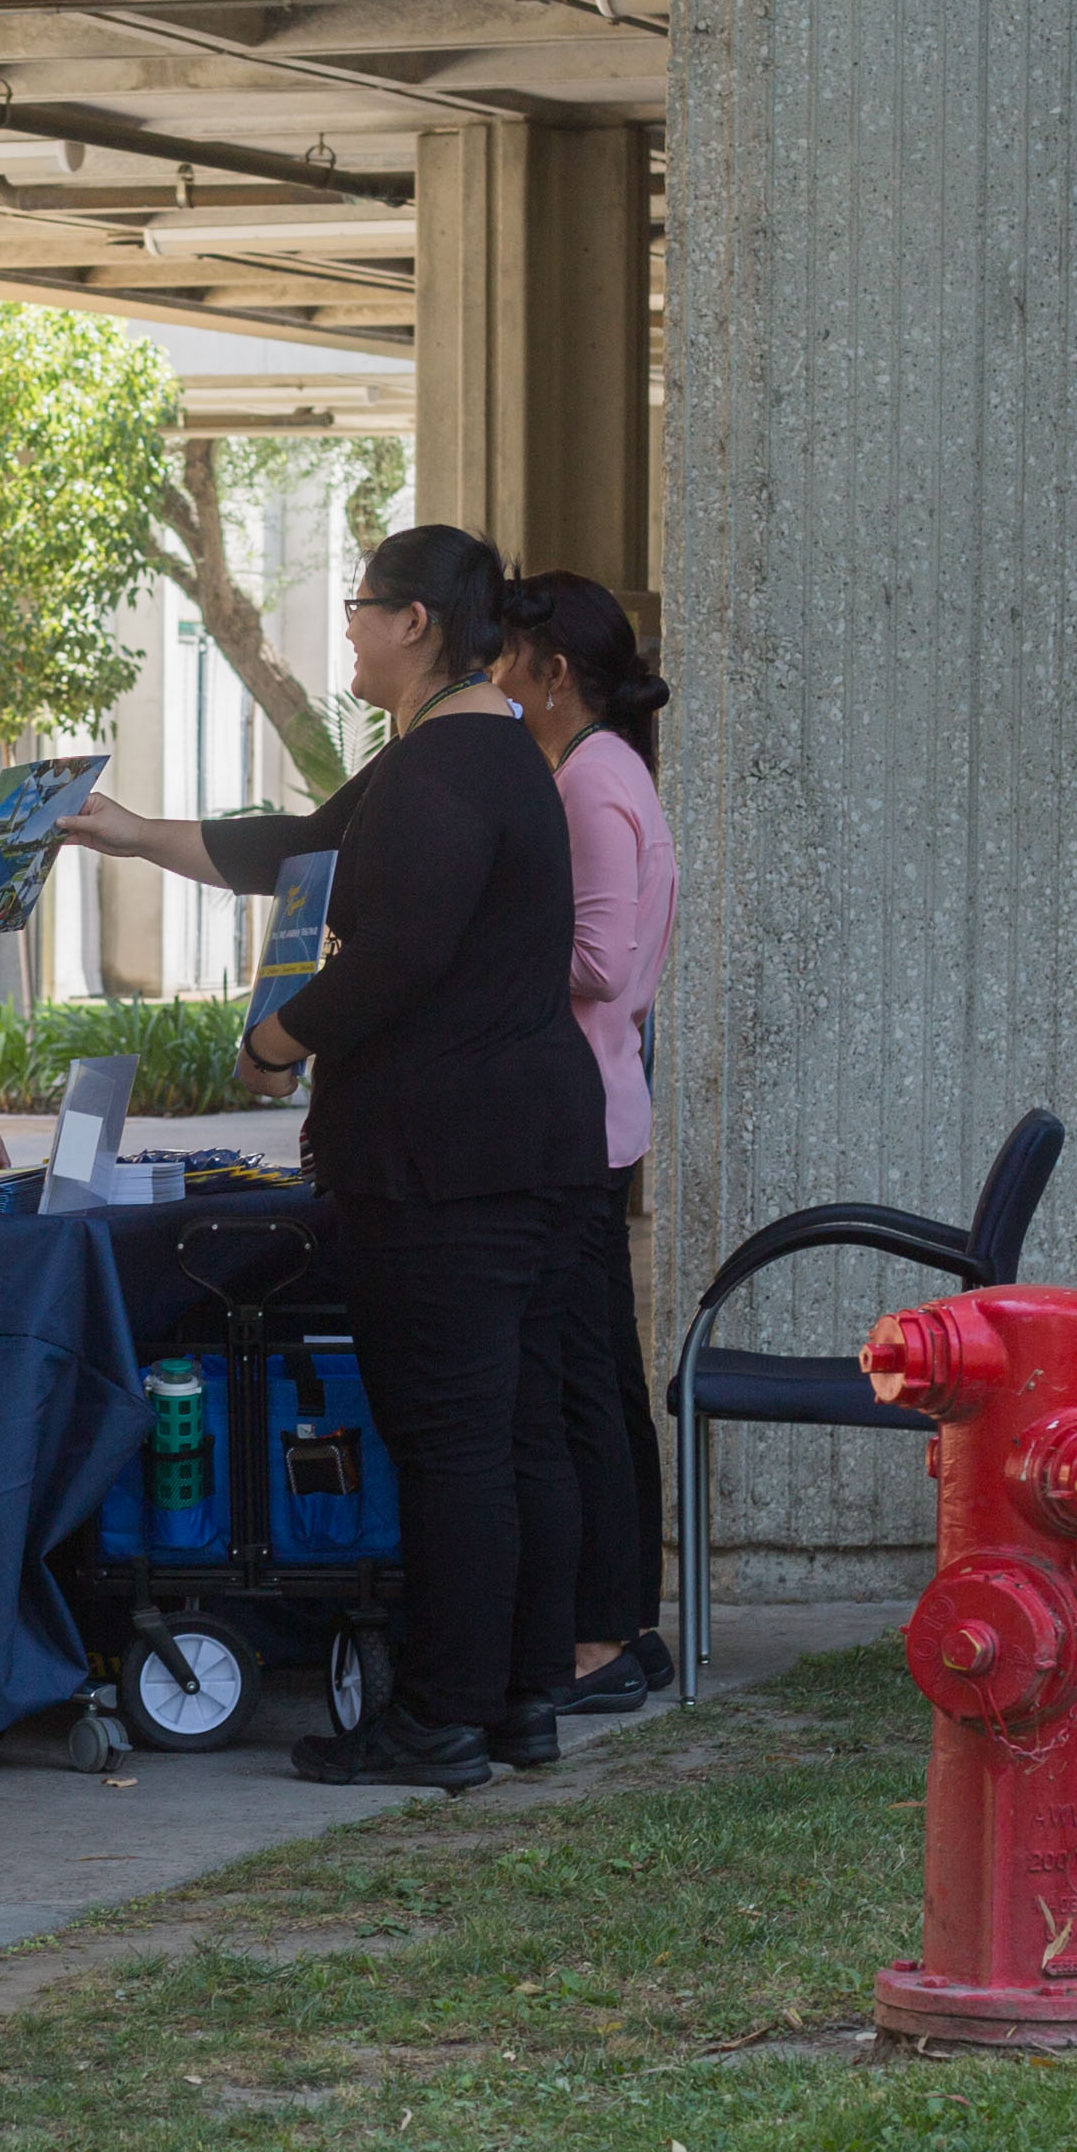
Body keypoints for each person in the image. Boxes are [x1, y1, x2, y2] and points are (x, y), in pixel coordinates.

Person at [58, 525, 607, 1791]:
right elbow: (299, 845)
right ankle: (519, 1700)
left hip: (445, 1155)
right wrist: (135, 834)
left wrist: (277, 1039)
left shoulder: (443, 771)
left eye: (359, 606)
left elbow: (397, 950)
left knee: (455, 1438)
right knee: (516, 1431)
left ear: (414, 622)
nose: (346, 628)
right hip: (520, 1142)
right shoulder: (479, 751)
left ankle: (440, 1718)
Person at [493, 573, 682, 1717]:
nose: (496, 678)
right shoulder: (611, 770)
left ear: (550, 672)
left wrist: (481, 934)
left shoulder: (584, 779)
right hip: (602, 1103)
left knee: (573, 1385)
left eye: (508, 657)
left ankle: (598, 1637)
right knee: (597, 1375)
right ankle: (620, 1624)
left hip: (579, 1114)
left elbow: (600, 962)